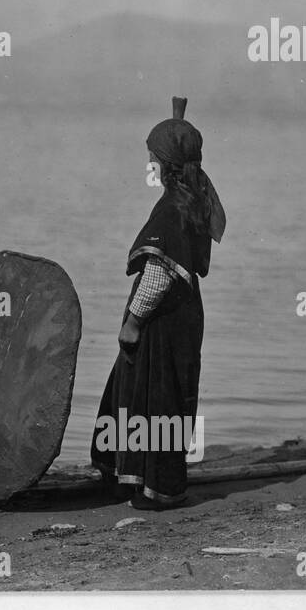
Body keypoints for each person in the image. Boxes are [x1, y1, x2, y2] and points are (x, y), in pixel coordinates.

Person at [91, 96, 226, 510]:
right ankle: (140, 480)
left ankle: (157, 491)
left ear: (164, 164)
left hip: (161, 319)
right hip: (185, 316)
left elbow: (158, 273)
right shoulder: (195, 199)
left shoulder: (171, 209)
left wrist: (132, 321)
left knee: (155, 398)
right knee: (157, 397)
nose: (147, 166)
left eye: (152, 159)